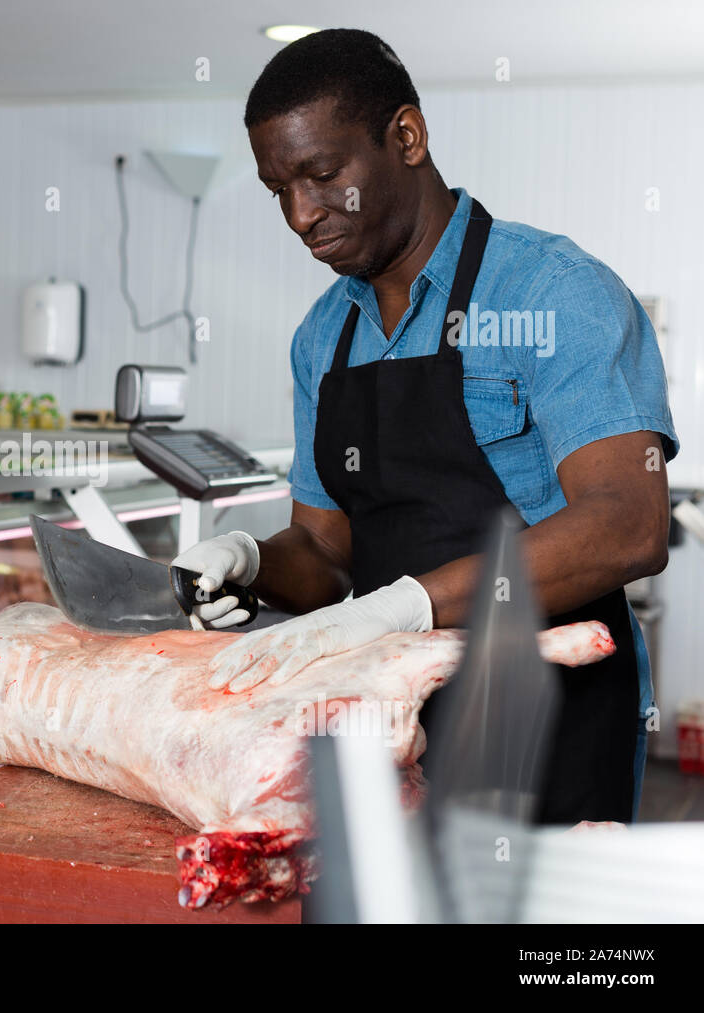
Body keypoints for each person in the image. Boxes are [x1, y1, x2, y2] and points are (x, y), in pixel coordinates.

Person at [175, 28, 677, 824]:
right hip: (384, 724)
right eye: (278, 189)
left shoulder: (551, 291)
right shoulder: (322, 337)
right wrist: (251, 562)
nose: (301, 214)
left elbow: (630, 524)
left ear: (406, 137)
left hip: (550, 717)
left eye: (321, 174)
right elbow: (326, 551)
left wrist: (408, 603)